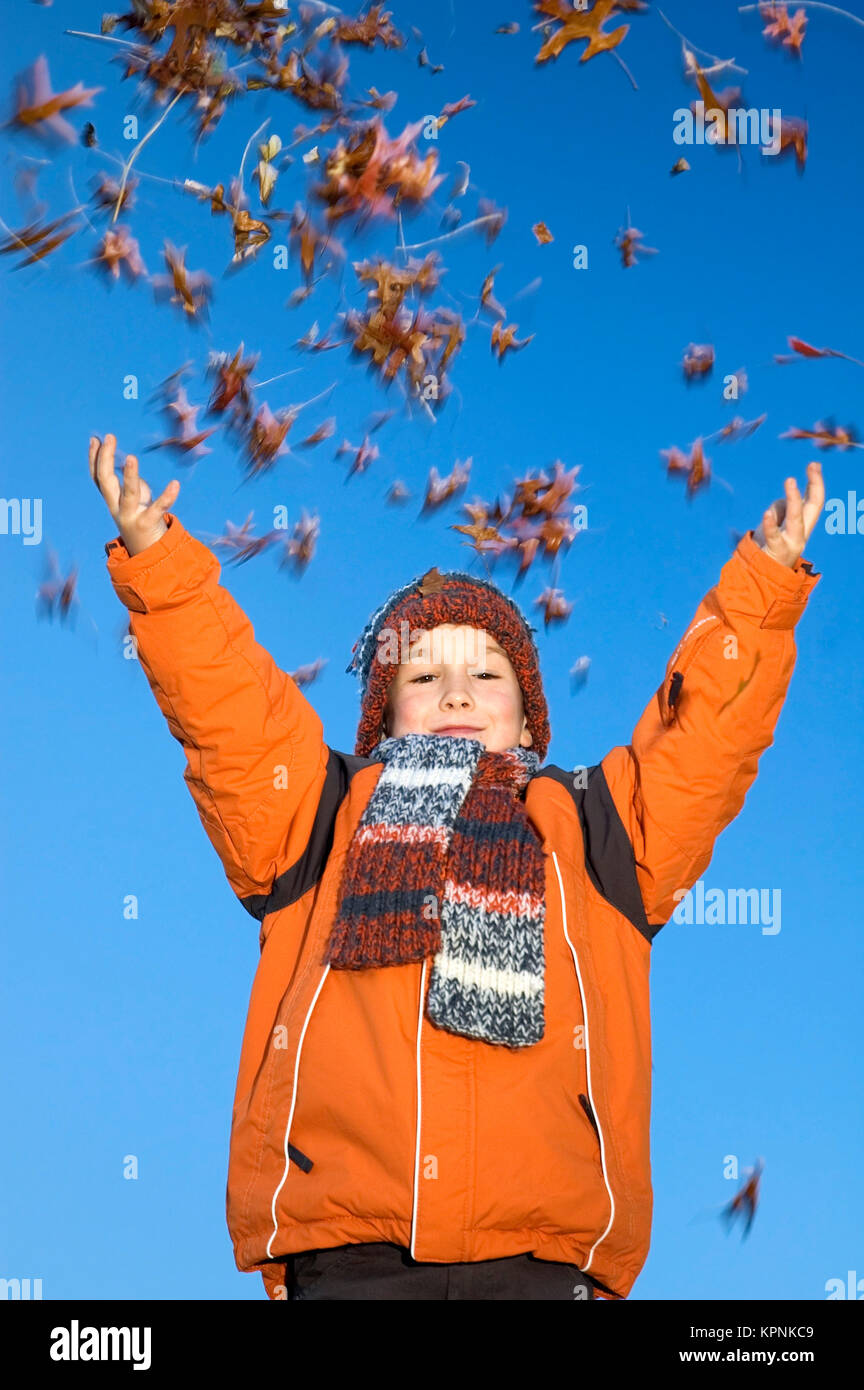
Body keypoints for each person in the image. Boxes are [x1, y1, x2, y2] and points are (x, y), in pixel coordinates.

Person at [91, 433, 824, 1301]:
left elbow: (704, 742)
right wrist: (161, 561)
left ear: (526, 722)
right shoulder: (317, 819)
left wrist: (764, 591)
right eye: (423, 676)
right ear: (384, 720)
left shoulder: (595, 831)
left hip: (539, 1259)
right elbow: (231, 714)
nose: (458, 693)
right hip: (353, 1249)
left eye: (488, 673)